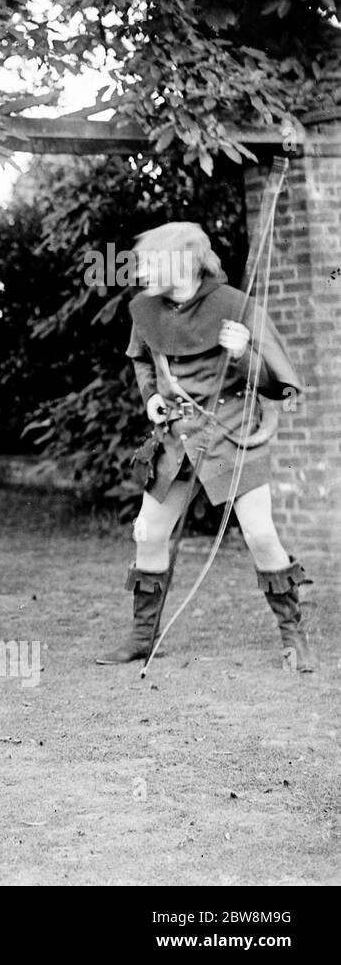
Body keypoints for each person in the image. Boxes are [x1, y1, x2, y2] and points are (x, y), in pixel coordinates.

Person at [96, 222, 314, 672]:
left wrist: (242, 352)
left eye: (153, 260)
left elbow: (278, 382)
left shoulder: (236, 306)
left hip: (233, 435)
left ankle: (294, 635)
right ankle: (142, 637)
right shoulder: (145, 310)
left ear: (184, 262)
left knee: (260, 534)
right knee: (147, 533)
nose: (142, 270)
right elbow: (142, 358)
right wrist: (152, 397)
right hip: (177, 438)